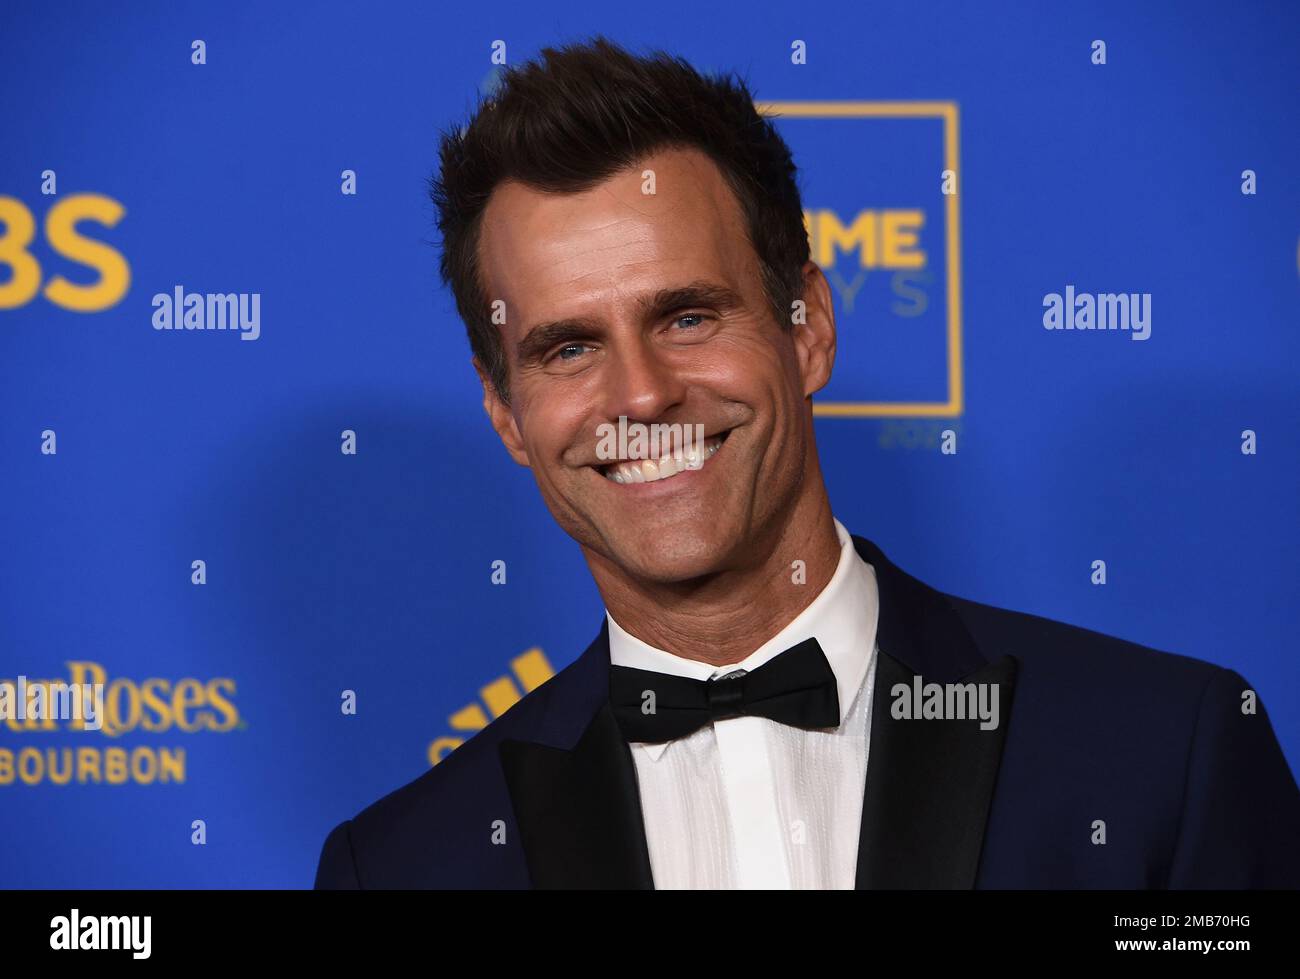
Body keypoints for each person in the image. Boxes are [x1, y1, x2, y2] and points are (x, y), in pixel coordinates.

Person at [314, 37, 1300, 889]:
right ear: (507, 414)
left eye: (687, 315)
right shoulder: (406, 865)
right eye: (568, 348)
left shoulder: (1162, 757)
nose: (642, 394)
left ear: (808, 327)